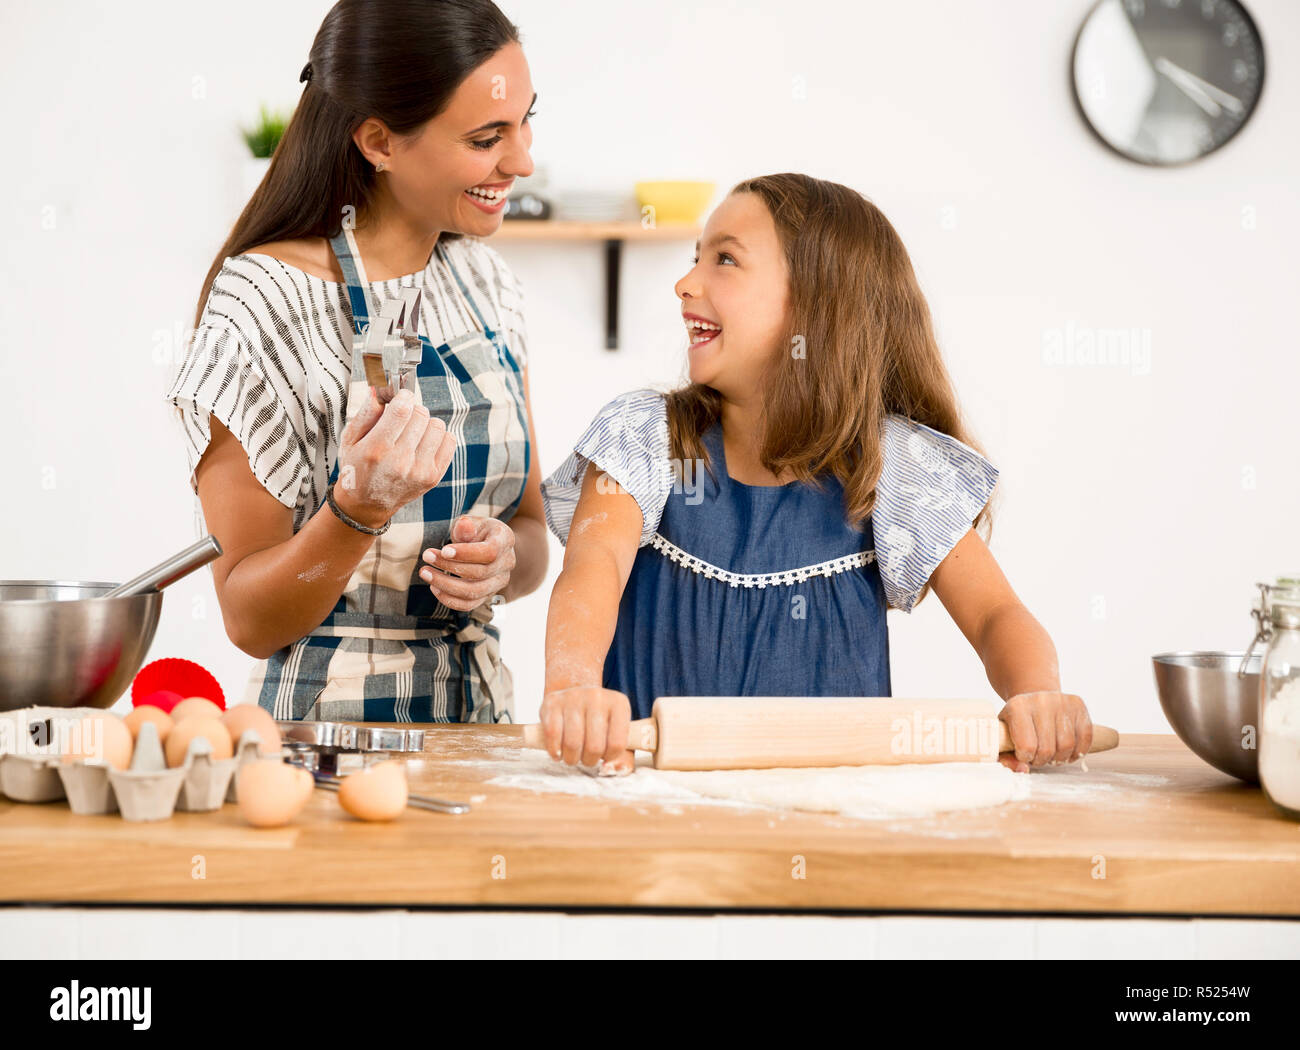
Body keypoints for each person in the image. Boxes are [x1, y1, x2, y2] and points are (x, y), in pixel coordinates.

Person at [538, 173, 1094, 773]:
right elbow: (594, 565)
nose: (685, 283)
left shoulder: (892, 468)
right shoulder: (643, 437)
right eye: (694, 257)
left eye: (724, 259)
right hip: (652, 806)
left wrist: (1036, 694)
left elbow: (995, 616)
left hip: (834, 820)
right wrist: (572, 687)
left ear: (814, 304)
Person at [163, 0, 545, 723]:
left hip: (480, 732)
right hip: (327, 743)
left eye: (527, 121)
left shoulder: (485, 284)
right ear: (378, 140)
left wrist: (504, 564)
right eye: (487, 136)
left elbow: (528, 529)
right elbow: (248, 617)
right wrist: (357, 509)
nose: (522, 160)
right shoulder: (266, 303)